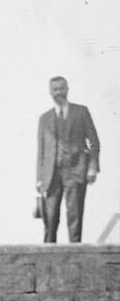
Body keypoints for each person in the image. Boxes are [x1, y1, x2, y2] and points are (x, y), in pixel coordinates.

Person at [37, 76, 100, 244]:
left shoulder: (81, 112)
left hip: (75, 171)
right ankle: (48, 256)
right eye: (55, 89)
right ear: (50, 92)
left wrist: (92, 167)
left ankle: (75, 254)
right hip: (52, 174)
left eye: (62, 88)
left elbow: (94, 141)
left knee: (75, 215)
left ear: (67, 89)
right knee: (50, 218)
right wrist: (39, 179)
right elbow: (41, 152)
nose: (59, 92)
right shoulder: (44, 119)